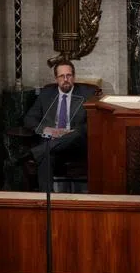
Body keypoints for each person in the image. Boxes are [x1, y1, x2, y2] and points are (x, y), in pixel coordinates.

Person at [23, 59, 98, 190]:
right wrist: (46, 129)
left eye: (69, 75)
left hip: (75, 143)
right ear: (56, 78)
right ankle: (47, 198)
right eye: (61, 76)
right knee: (46, 153)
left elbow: (95, 121)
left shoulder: (87, 94)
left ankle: (34, 152)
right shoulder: (46, 94)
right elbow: (29, 119)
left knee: (77, 133)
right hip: (53, 141)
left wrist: (72, 133)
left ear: (74, 77)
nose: (66, 79)